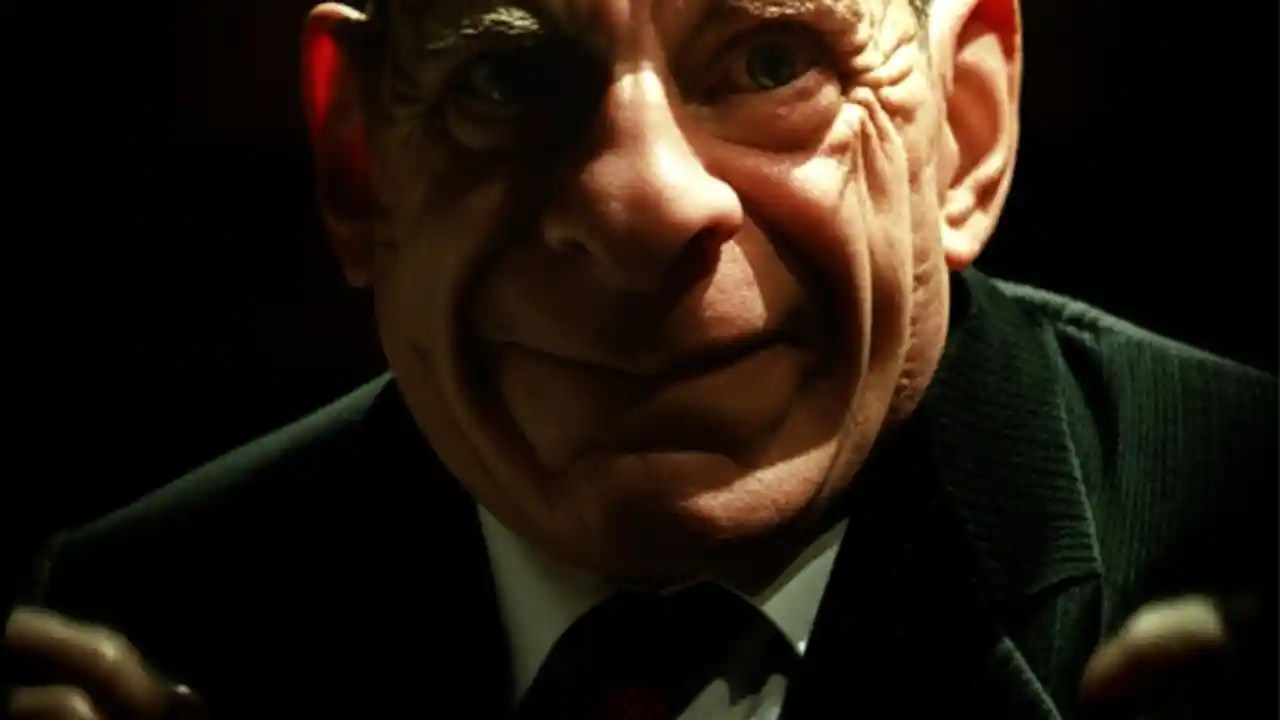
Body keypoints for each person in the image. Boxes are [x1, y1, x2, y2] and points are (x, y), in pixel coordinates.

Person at [5, 0, 1275, 717]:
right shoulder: (140, 622)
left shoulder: (1241, 545)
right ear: (355, 162)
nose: (638, 203)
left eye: (772, 61)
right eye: (504, 77)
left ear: (968, 131)